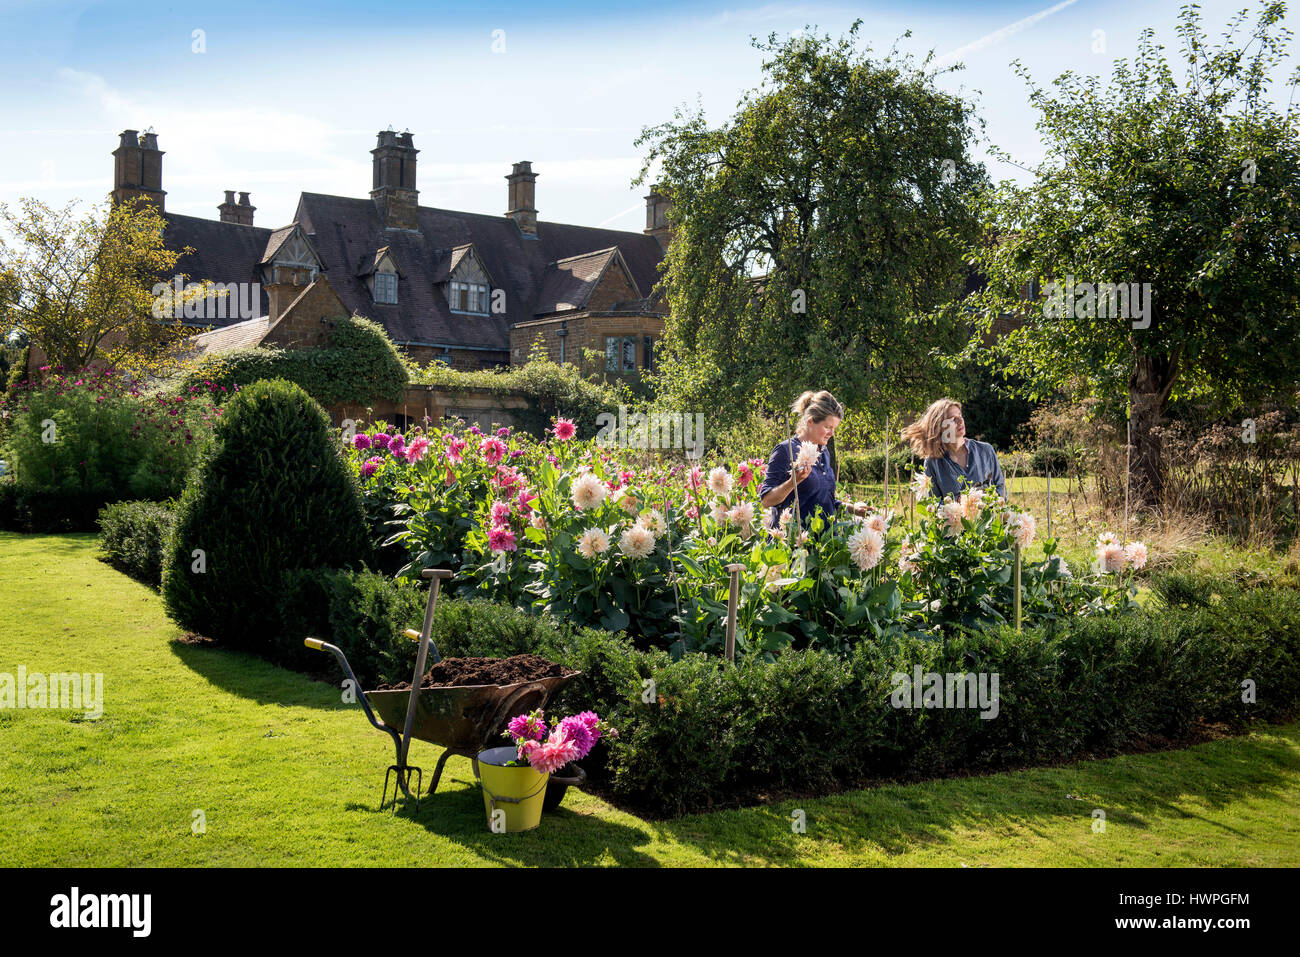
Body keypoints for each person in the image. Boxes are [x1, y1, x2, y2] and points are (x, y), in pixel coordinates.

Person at [759, 390, 869, 528]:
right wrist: (793, 481)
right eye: (828, 427)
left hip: (823, 544)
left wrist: (852, 509)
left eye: (834, 428)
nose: (832, 433)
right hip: (793, 542)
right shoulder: (785, 451)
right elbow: (766, 500)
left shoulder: (823, 453)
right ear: (810, 421)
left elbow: (823, 502)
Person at [901, 398, 1006, 500]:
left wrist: (991, 499)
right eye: (953, 419)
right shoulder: (933, 463)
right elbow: (933, 504)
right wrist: (957, 501)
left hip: (988, 517)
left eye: (960, 416)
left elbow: (1001, 489)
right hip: (954, 518)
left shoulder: (985, 450)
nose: (960, 421)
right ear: (940, 427)